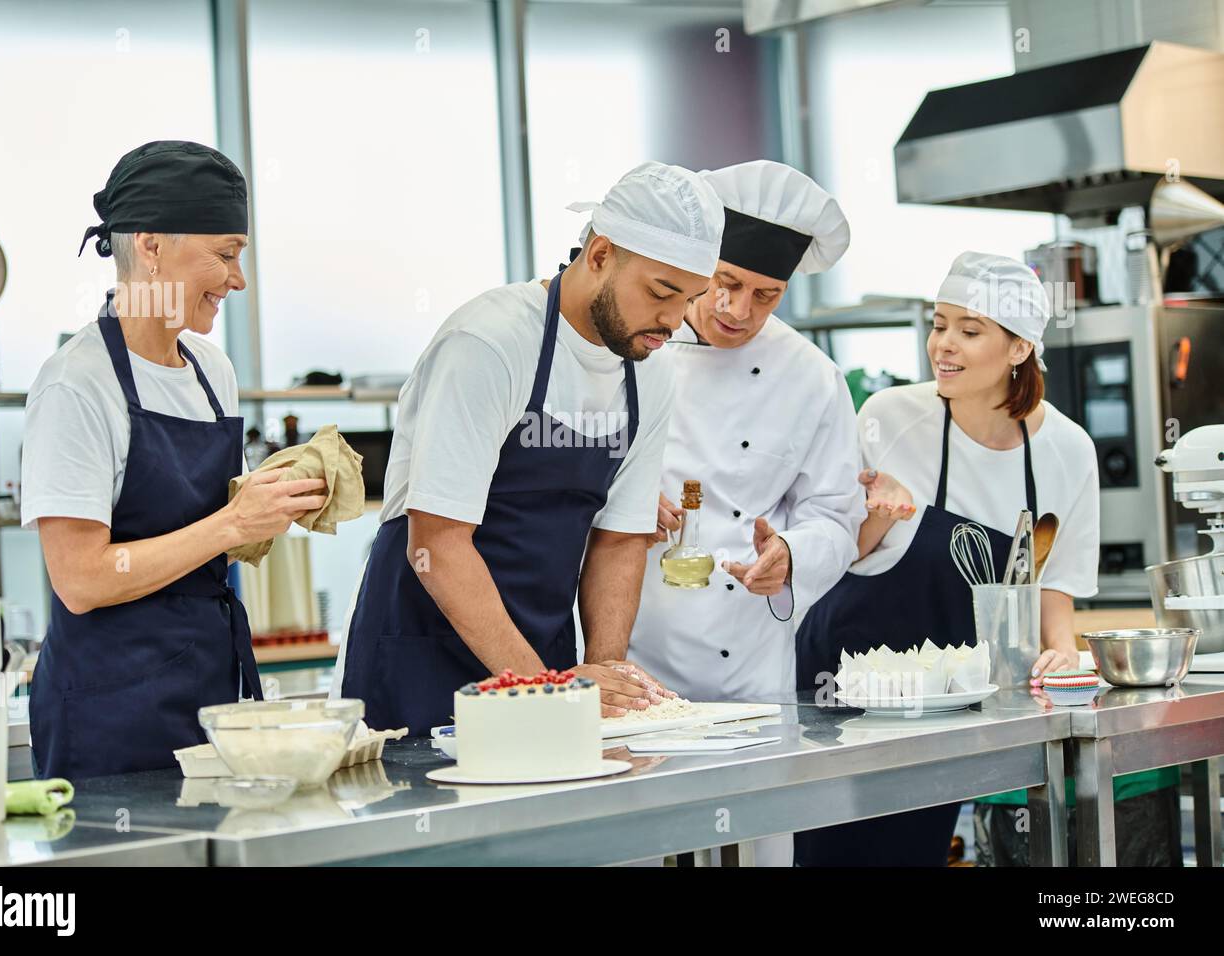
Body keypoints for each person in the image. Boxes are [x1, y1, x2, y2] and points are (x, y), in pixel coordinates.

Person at [333, 162, 725, 734]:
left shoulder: (649, 372)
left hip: (543, 657)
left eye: (690, 298)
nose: (673, 320)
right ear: (599, 255)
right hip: (422, 652)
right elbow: (438, 544)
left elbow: (619, 538)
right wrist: (543, 688)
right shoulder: (490, 343)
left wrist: (605, 672)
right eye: (661, 292)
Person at [24, 141, 327, 778]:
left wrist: (278, 501)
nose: (238, 281)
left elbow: (209, 537)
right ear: (152, 245)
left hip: (213, 697)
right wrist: (233, 524)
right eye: (225, 254)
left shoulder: (212, 372)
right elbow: (79, 581)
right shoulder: (76, 385)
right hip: (112, 712)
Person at [794, 251, 1100, 866]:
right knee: (822, 853)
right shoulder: (888, 417)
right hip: (844, 681)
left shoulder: (1068, 449)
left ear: (1019, 349)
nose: (944, 346)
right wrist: (880, 512)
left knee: (912, 853)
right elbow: (837, 559)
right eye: (939, 325)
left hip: (949, 698)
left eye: (969, 330)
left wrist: (1062, 654)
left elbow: (1051, 584)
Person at [628, 160, 860, 705]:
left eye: (766, 295)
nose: (739, 310)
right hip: (628, 644)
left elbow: (835, 513)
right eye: (727, 283)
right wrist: (620, 502)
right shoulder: (631, 348)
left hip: (749, 661)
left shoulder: (811, 376)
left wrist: (792, 552)